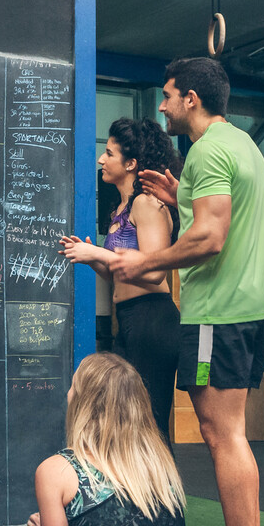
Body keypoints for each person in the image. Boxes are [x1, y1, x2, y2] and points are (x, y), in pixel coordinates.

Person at [109, 57, 264, 526]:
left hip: (217, 314)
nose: (162, 107)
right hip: (249, 309)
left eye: (166, 96)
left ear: (191, 99)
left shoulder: (206, 150)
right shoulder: (242, 145)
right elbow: (222, 217)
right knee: (229, 433)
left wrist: (146, 262)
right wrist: (181, 195)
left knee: (221, 435)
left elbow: (210, 237)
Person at [59, 117, 180, 446]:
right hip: (126, 318)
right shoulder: (120, 209)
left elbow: (154, 271)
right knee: (127, 422)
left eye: (109, 153)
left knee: (150, 422)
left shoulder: (146, 203)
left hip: (152, 319)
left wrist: (98, 252)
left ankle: (163, 482)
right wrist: (92, 258)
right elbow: (120, 274)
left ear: (131, 164)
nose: (102, 159)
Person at [26, 352, 185, 526]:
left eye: (73, 385)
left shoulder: (58, 472)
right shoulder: (160, 466)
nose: (68, 392)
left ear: (82, 403)